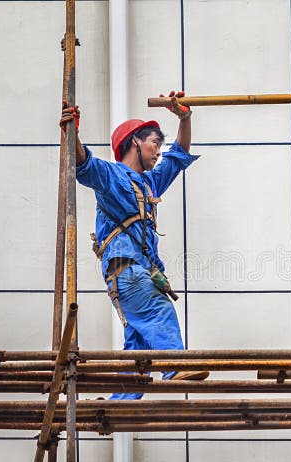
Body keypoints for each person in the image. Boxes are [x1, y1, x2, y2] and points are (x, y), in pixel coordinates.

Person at [60, 91, 209, 401]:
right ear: (134, 142)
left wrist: (185, 118)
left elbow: (179, 155)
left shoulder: (149, 184)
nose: (159, 151)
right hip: (127, 270)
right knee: (158, 309)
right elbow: (83, 163)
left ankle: (114, 409)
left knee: (138, 353)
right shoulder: (112, 175)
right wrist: (72, 133)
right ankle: (175, 364)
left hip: (135, 272)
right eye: (154, 142)